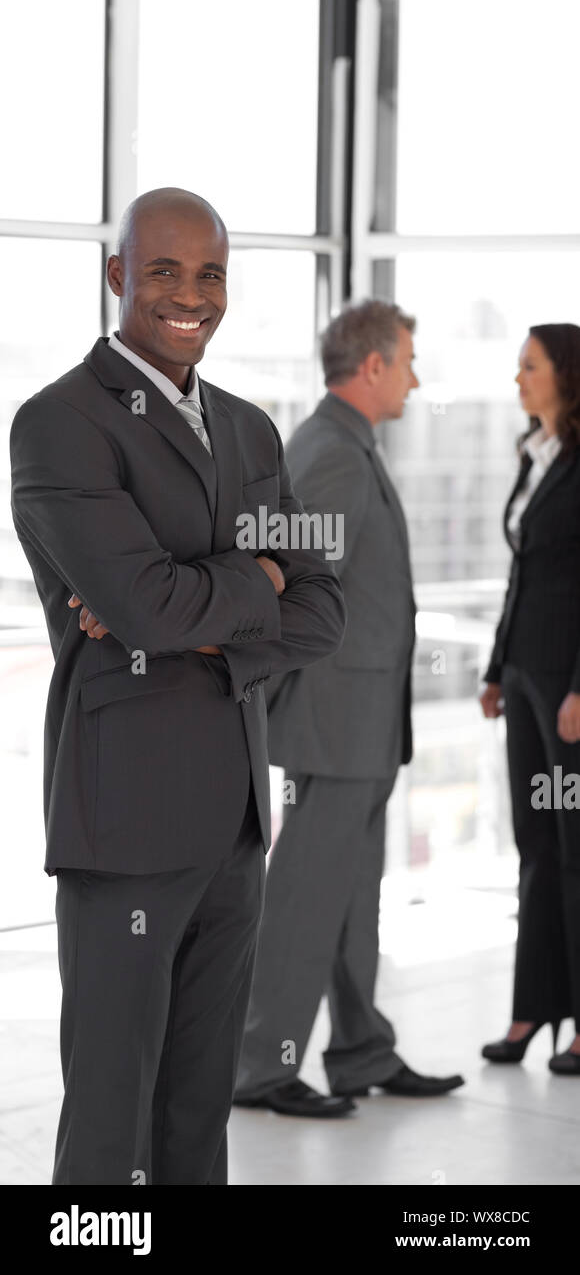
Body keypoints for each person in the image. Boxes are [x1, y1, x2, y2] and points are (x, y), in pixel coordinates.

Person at [9, 186, 345, 1184]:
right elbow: (151, 609)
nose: (188, 293)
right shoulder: (58, 424)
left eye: (208, 273)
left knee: (198, 1110)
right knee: (112, 1112)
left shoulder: (251, 431)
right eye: (163, 270)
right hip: (125, 823)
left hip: (235, 826)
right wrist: (256, 582)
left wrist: (208, 607)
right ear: (116, 275)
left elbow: (320, 609)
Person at [234, 300, 465, 1117]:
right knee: (307, 898)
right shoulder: (331, 449)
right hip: (334, 723)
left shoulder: (346, 445)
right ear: (372, 366)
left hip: (359, 724)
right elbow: (291, 583)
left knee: (350, 896)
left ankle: (361, 1047)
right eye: (407, 361)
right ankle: (260, 1064)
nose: (415, 377)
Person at [480, 323, 580, 1074]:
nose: (518, 378)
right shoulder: (534, 452)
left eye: (530, 366)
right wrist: (493, 668)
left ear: (567, 376)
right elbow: (520, 575)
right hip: (521, 673)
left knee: (577, 849)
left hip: (567, 683)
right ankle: (531, 1010)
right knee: (535, 845)